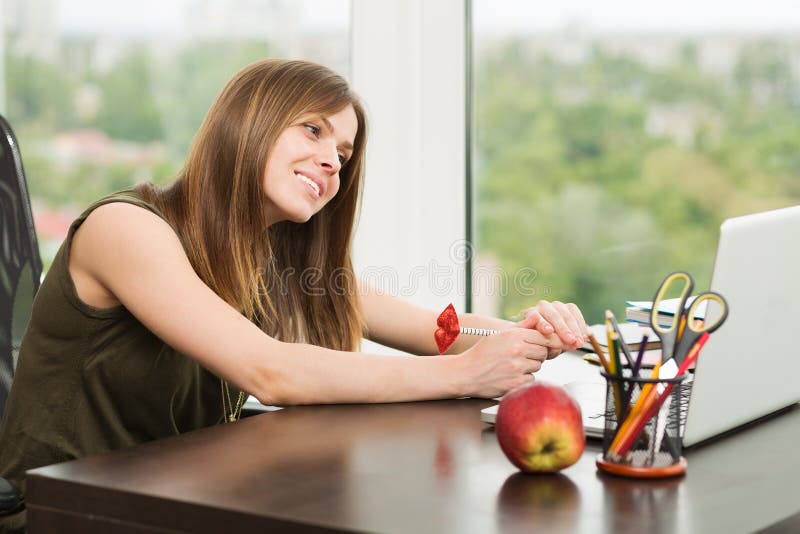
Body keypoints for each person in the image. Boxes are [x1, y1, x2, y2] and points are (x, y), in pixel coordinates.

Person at [0, 59, 587, 530]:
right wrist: (465, 376)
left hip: (180, 500)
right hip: (64, 513)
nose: (332, 161)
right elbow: (269, 370)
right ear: (249, 122)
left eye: (345, 153)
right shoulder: (125, 229)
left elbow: (436, 328)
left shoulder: (273, 258)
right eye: (314, 130)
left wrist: (524, 332)